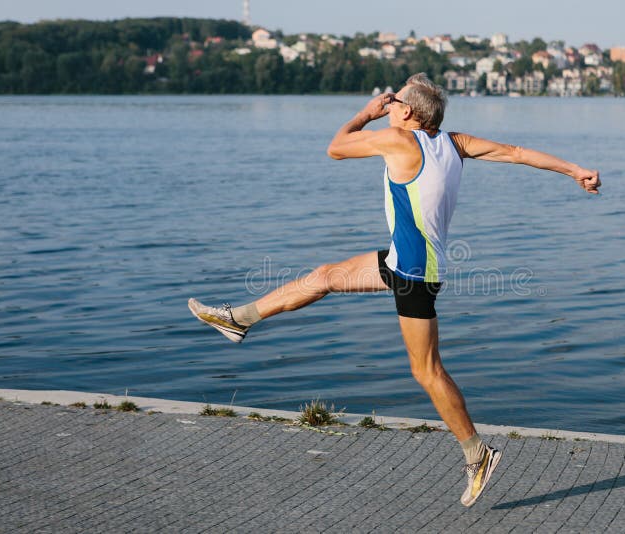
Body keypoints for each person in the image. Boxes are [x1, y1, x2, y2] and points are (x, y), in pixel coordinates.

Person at [188, 73, 600, 506]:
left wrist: (366, 113)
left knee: (427, 371)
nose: (388, 104)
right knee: (326, 276)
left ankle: (477, 453)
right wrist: (574, 170)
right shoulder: (455, 142)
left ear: (408, 112)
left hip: (414, 272)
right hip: (405, 260)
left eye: (394, 101)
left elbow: (336, 147)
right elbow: (516, 153)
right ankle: (238, 320)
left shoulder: (398, 140)